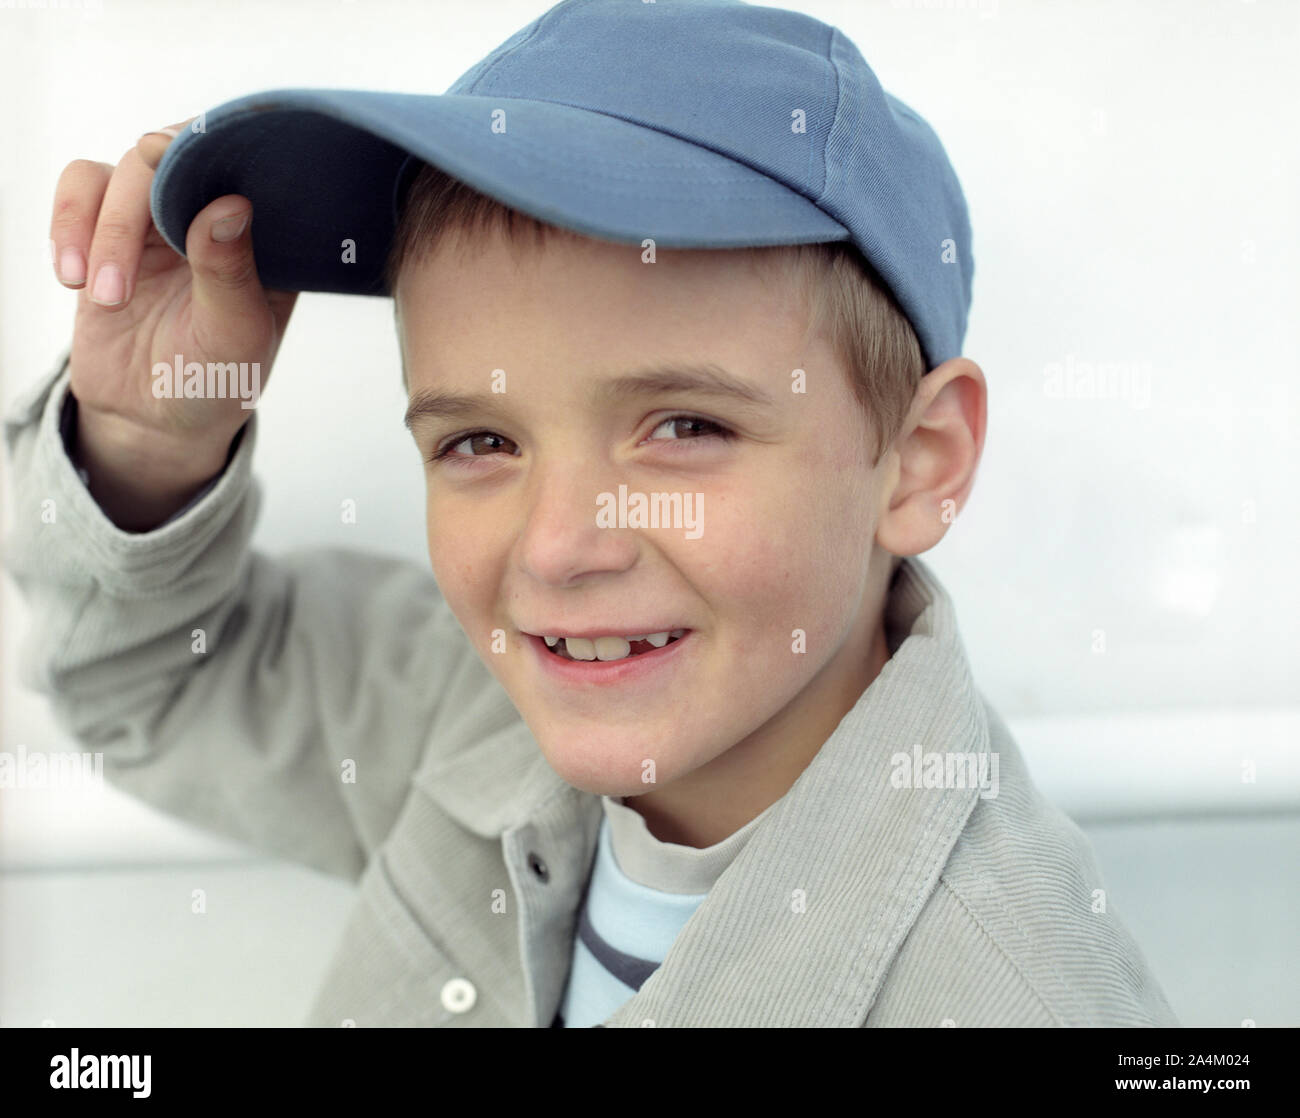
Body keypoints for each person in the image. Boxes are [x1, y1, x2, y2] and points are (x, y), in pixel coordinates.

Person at [6, 0, 1177, 1026]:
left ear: (919, 462)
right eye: (479, 441)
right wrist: (151, 447)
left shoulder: (1021, 994)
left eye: (683, 426)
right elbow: (143, 684)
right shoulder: (464, 708)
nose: (560, 546)